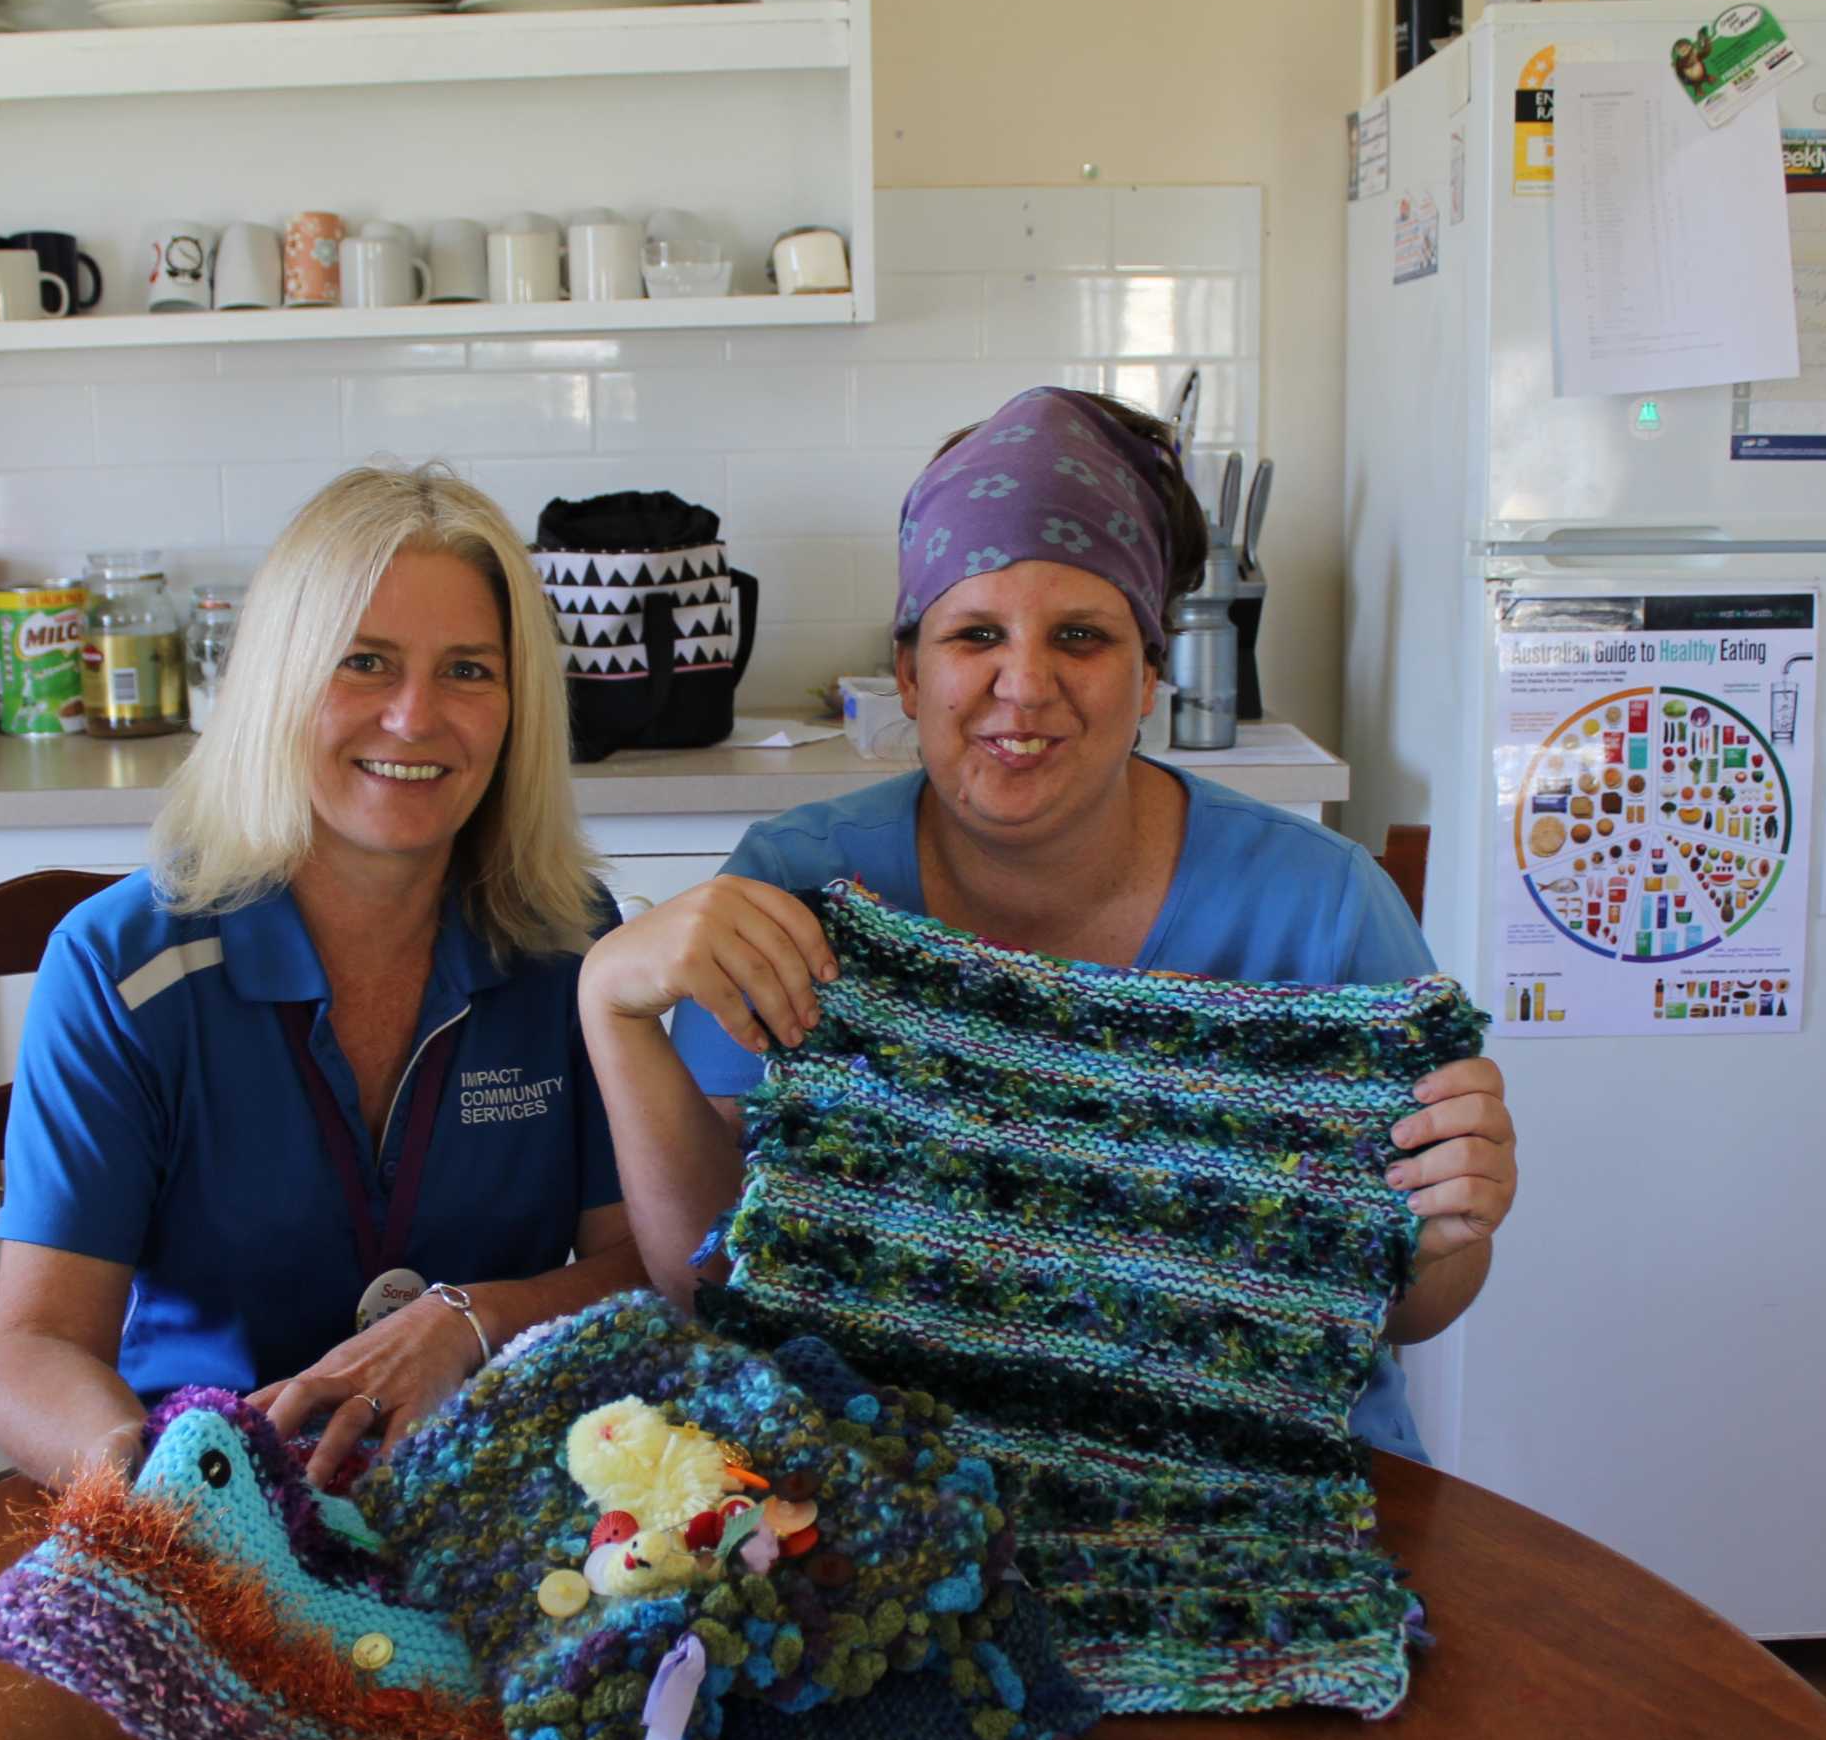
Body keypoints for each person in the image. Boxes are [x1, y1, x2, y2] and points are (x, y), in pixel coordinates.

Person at [575, 387, 1517, 1460]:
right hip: (909, 1500)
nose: (1023, 683)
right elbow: (716, 1277)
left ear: (1152, 670)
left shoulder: (1321, 907)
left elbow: (1412, 1304)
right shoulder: (801, 886)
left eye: (1082, 635)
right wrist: (613, 1005)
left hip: (1257, 1506)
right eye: (975, 633)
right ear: (908, 672)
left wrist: (1443, 1236)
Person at [0, 465, 643, 1488]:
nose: (415, 716)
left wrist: (469, 1318)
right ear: (277, 681)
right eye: (365, 661)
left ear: (519, 709)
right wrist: (166, 1491)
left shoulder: (574, 944)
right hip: (205, 1508)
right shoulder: (118, 966)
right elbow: (28, 1348)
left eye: (469, 669)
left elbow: (645, 1265)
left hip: (489, 1493)